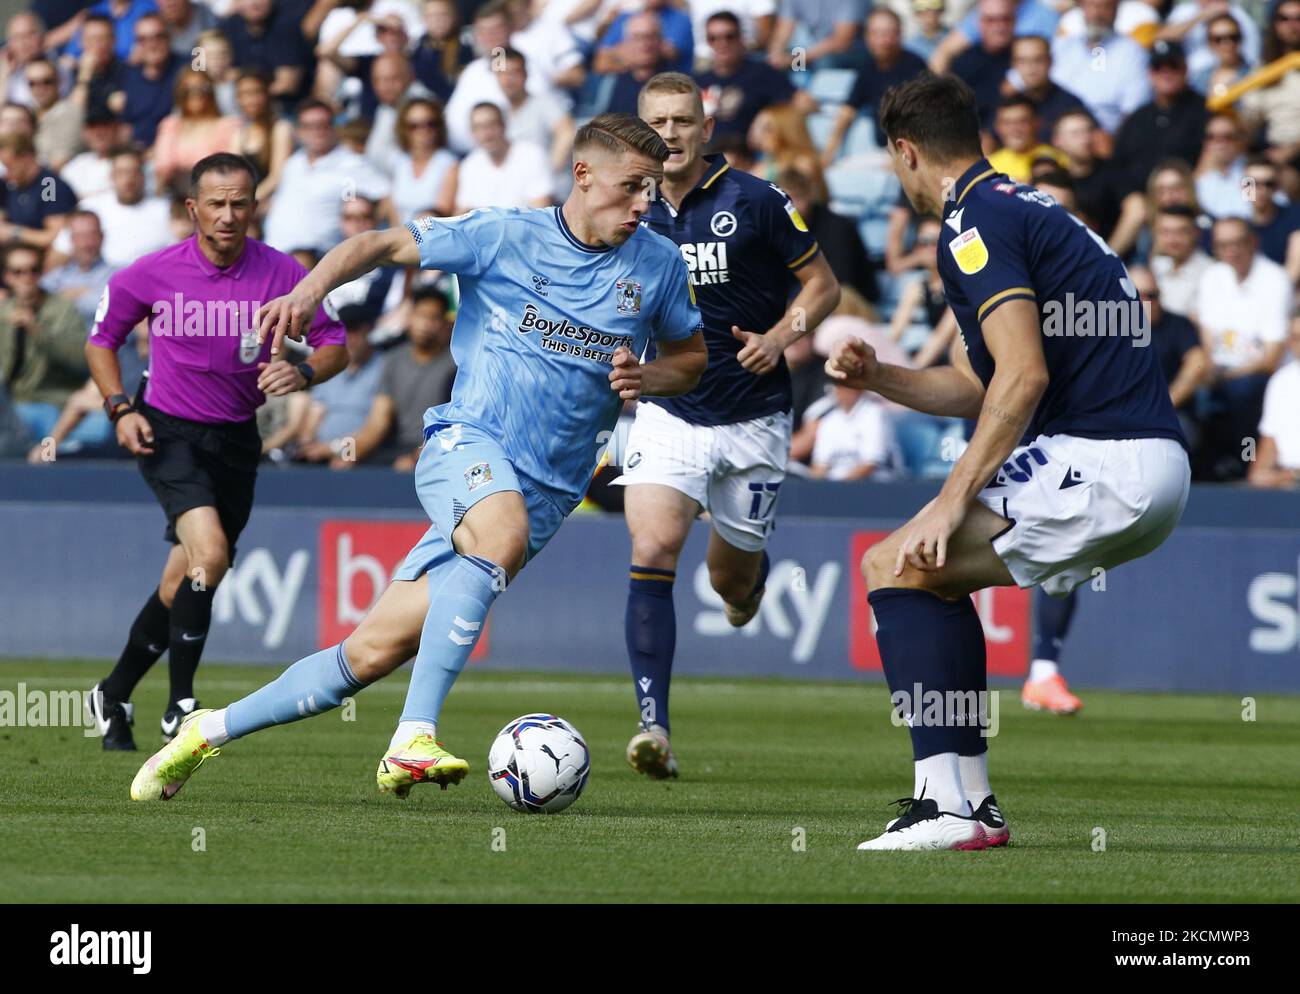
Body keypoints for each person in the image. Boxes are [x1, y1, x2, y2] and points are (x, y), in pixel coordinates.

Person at [127, 113, 708, 803]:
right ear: (583, 175)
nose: (646, 203)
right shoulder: (503, 234)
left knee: (370, 653)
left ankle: (205, 733)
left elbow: (692, 360)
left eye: (654, 188)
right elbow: (379, 243)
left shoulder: (659, 264)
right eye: (633, 186)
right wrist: (310, 290)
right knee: (499, 535)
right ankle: (412, 737)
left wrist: (648, 379)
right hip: (468, 444)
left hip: (549, 489)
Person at [828, 74, 1189, 851]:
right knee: (925, 575)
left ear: (906, 151)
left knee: (894, 563)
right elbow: (978, 383)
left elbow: (1023, 378)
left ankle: (945, 806)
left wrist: (950, 500)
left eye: (894, 164)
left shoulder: (973, 221)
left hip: (1107, 459)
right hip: (1142, 462)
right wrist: (879, 376)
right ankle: (970, 805)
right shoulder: (1025, 207)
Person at [614, 73, 839, 778]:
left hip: (754, 417)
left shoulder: (757, 199)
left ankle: (748, 586)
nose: (672, 134)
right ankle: (654, 726)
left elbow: (822, 286)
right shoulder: (623, 207)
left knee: (730, 583)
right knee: (653, 546)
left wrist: (780, 336)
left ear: (705, 126)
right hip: (667, 409)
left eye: (684, 120)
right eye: (658, 122)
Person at [84, 152, 349, 753]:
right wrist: (120, 409)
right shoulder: (149, 272)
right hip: (166, 430)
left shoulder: (286, 275)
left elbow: (336, 345)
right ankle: (182, 706)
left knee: (188, 574)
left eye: (240, 203)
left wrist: (304, 375)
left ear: (254, 207)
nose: (228, 215)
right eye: (216, 203)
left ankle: (114, 690)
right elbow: (101, 341)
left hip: (235, 439)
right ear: (192, 208)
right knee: (210, 553)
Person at [1248, 314, 1300, 489]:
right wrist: (1261, 474)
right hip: (1288, 481)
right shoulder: (1281, 381)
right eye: (1295, 338)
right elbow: (1269, 442)